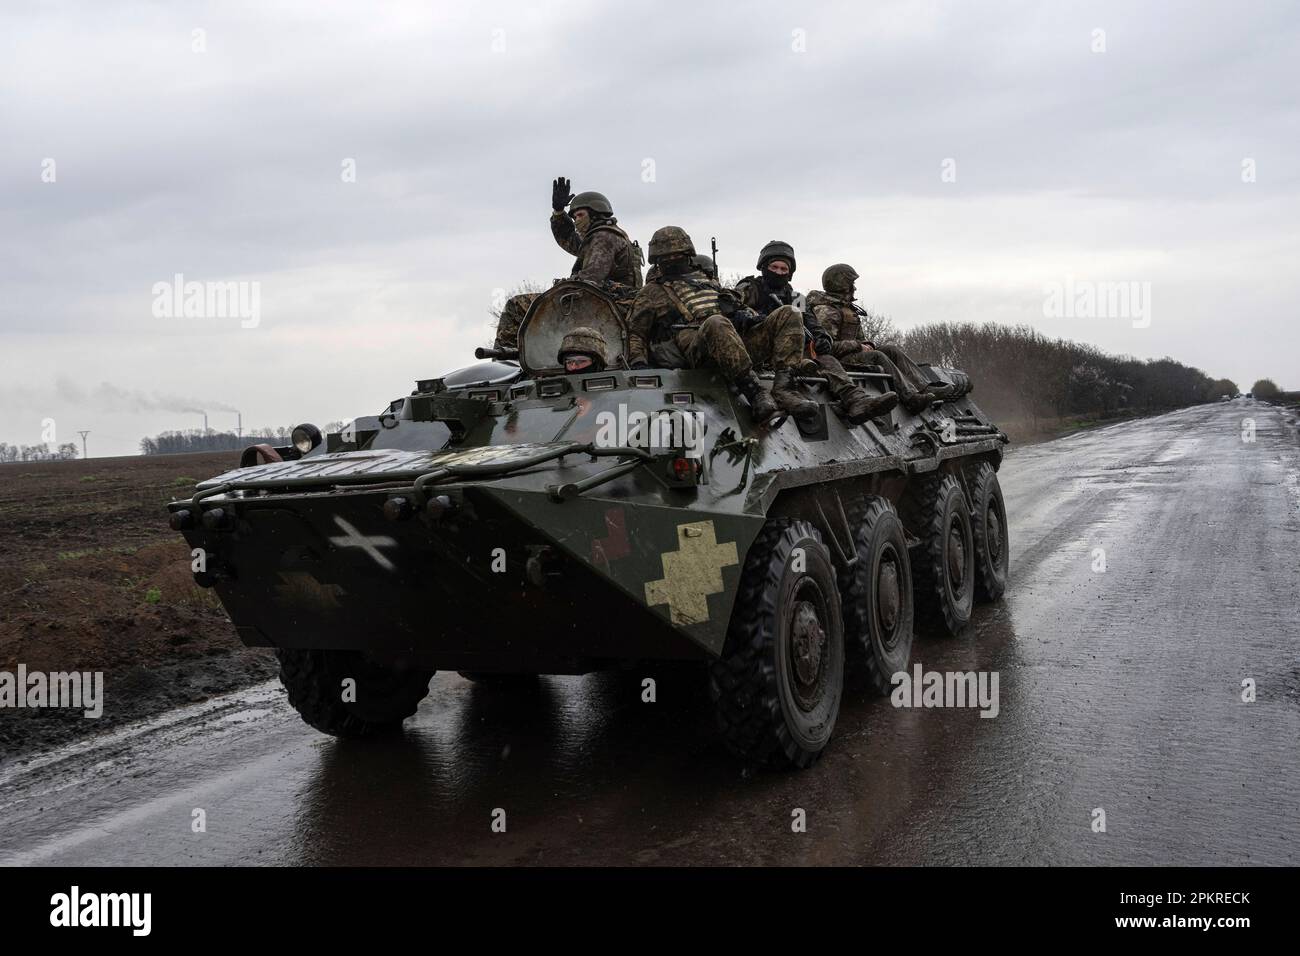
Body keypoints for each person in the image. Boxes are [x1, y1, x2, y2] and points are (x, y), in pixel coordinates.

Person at [625, 226, 819, 424]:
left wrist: (748, 315)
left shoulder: (708, 282)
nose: (672, 262)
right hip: (699, 351)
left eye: (678, 256)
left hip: (735, 345)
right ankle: (755, 393)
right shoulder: (651, 292)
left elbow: (736, 305)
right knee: (715, 322)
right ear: (657, 262)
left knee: (790, 313)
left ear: (688, 255)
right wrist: (639, 364)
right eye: (665, 259)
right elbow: (636, 332)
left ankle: (784, 389)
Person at [735, 242, 898, 424]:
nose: (779, 272)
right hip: (756, 349)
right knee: (789, 316)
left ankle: (856, 400)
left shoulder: (796, 298)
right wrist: (751, 317)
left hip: (788, 352)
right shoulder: (751, 288)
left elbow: (811, 322)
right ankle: (783, 390)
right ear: (764, 267)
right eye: (774, 267)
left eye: (784, 269)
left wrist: (822, 337)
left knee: (824, 358)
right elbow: (731, 309)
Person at [493, 177, 643, 351]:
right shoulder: (602, 236)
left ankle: (506, 362)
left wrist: (561, 286)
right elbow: (569, 239)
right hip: (601, 301)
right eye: (574, 217)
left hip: (604, 304)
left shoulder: (603, 237)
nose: (576, 221)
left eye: (580, 215)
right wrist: (558, 213)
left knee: (516, 306)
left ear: (596, 214)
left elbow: (589, 281)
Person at [808, 263, 970, 413]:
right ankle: (911, 398)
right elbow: (827, 347)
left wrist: (866, 344)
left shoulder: (846, 309)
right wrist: (858, 346)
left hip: (853, 353)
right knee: (877, 355)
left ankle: (924, 387)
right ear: (841, 284)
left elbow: (861, 339)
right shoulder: (826, 311)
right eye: (851, 283)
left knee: (890, 349)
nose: (854, 288)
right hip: (838, 360)